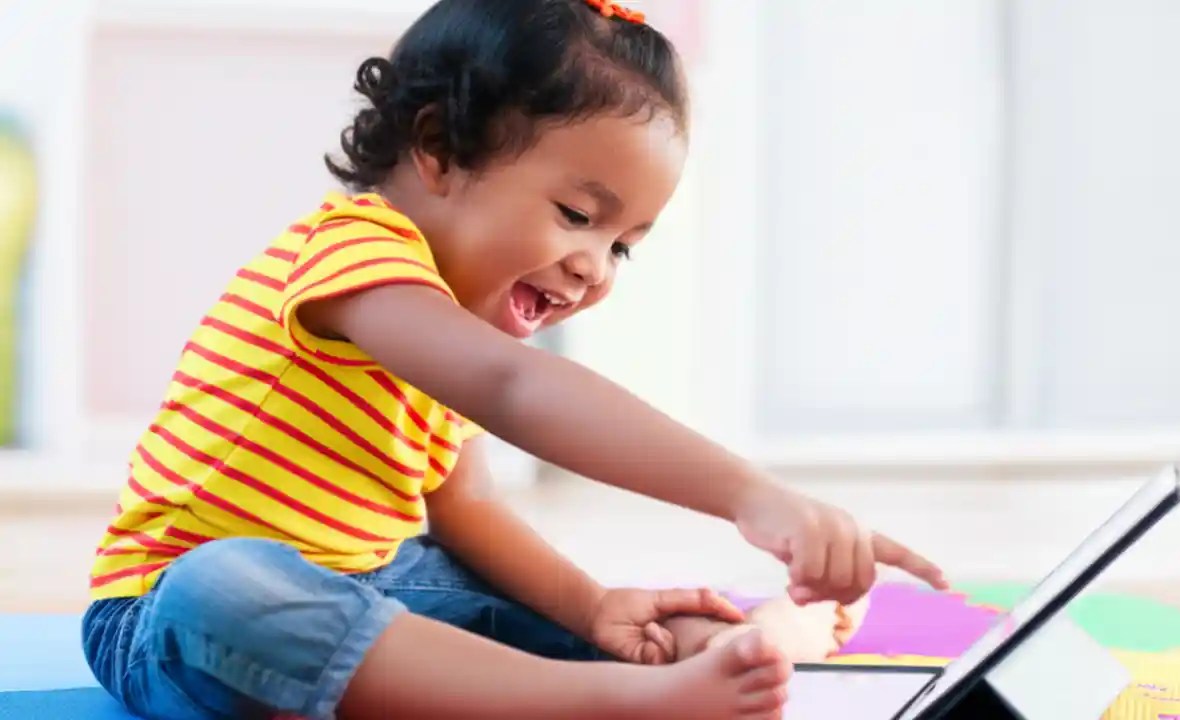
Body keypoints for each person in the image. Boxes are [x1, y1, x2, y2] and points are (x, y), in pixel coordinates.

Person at [80, 1, 947, 718]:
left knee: (520, 593)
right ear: (438, 148)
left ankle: (726, 649)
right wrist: (752, 494)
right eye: (577, 215)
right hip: (165, 618)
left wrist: (590, 606)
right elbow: (517, 389)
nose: (593, 269)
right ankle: (609, 700)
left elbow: (467, 508)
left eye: (624, 247)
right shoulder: (351, 254)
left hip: (373, 591)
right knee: (228, 585)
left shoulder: (457, 319)